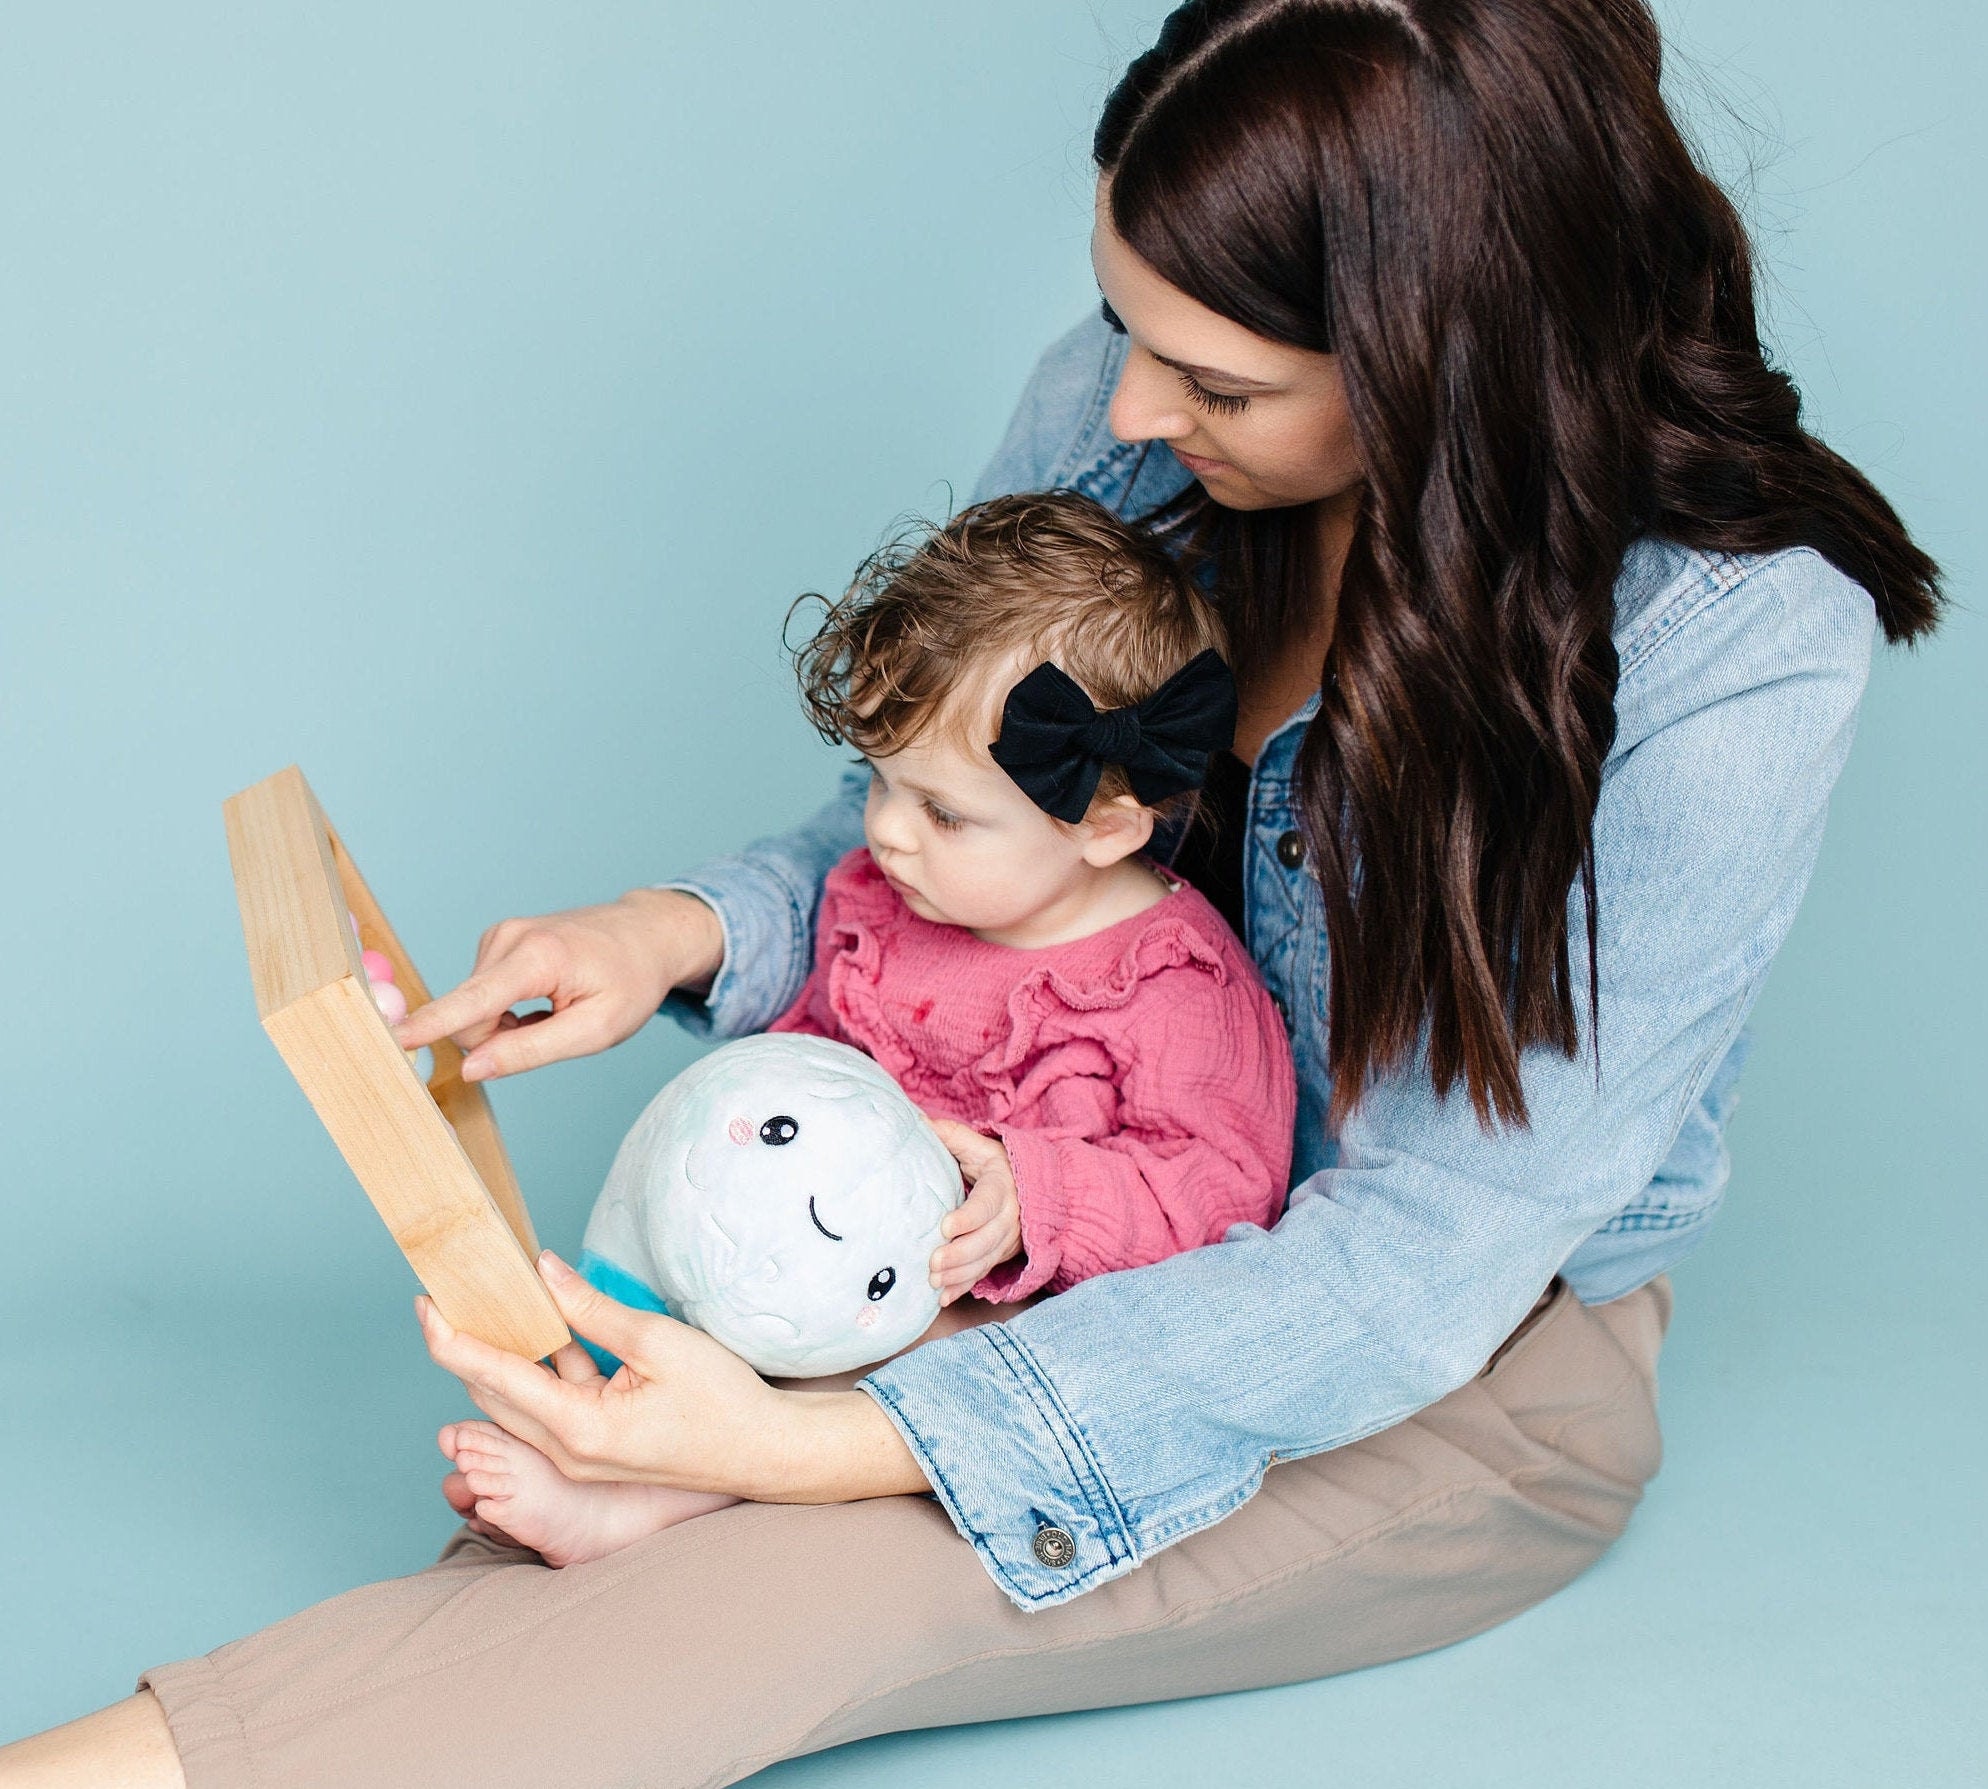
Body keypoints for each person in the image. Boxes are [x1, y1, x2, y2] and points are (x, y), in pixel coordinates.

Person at [0, 2, 1942, 1785]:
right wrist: (674, 932)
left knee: (768, 1594)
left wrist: (811, 1448)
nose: (1125, 415)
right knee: (587, 1501)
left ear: (1452, 352)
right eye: (1121, 329)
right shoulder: (1139, 408)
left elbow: (1426, 1252)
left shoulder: (1730, 641)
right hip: (1012, 1254)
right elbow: (940, 833)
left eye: (1213, 379)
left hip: (1441, 1373)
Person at [436, 491, 1296, 1569]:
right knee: (706, 1242)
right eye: (881, 781)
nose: (884, 829)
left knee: (938, 1351)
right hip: (823, 1258)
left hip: (988, 1305)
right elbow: (815, 1051)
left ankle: (658, 1496)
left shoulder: (1174, 988)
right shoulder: (886, 898)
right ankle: (614, 1390)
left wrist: (1037, 1197)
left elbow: (1225, 1188)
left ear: (1106, 827)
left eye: (942, 811)